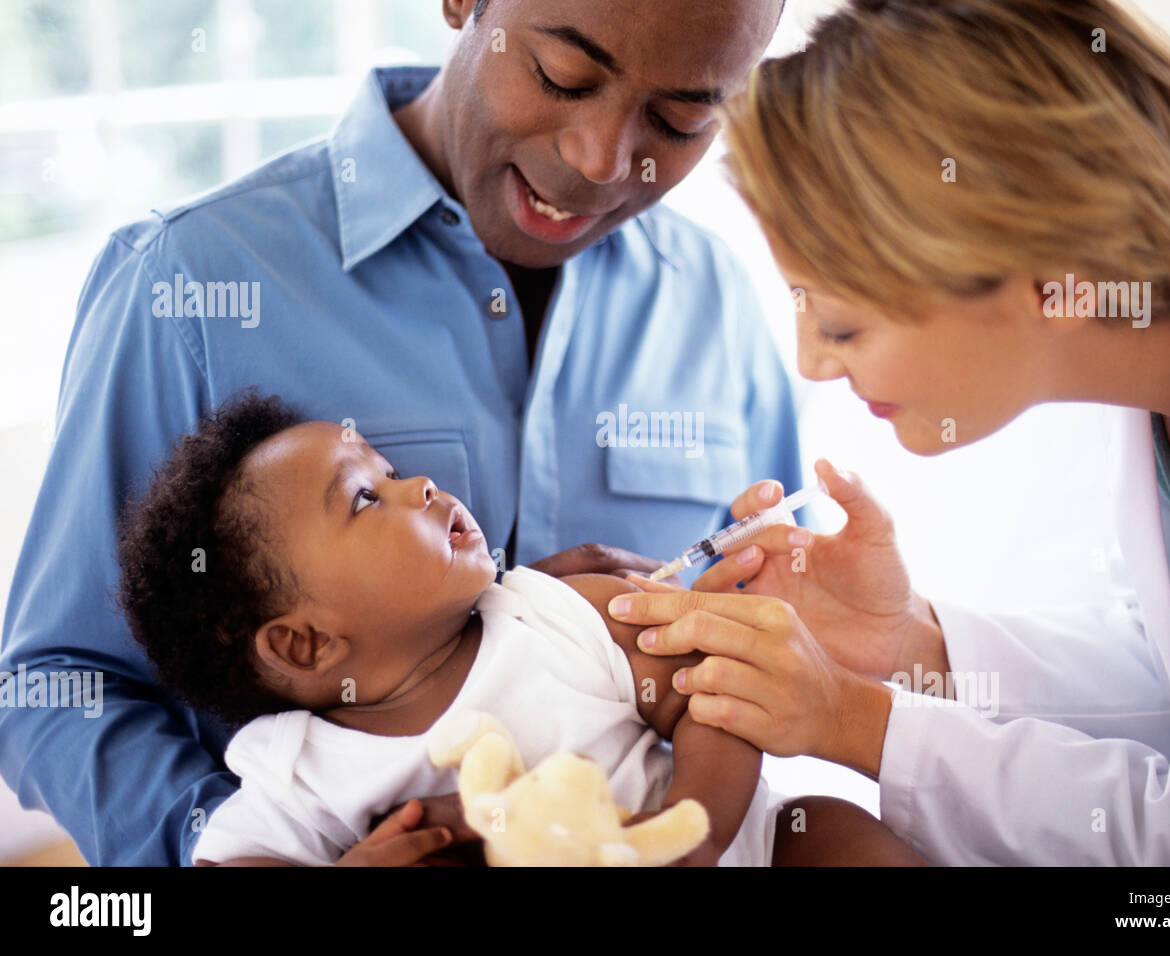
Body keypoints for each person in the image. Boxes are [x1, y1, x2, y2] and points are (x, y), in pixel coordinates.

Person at [0, 0, 801, 866]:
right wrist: (257, 845)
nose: (599, 159)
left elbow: (775, 639)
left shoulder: (714, 300)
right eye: (561, 78)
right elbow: (55, 687)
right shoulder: (186, 282)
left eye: (680, 119)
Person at [608, 0, 1170, 864]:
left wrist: (853, 721)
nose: (813, 364)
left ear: (1061, 276)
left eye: (847, 326)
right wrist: (908, 647)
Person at [114, 391, 923, 866]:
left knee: (835, 836)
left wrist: (688, 832)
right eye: (365, 499)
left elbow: (713, 698)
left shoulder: (555, 611)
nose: (420, 486)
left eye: (392, 474)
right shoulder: (299, 771)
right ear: (306, 645)